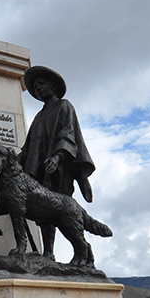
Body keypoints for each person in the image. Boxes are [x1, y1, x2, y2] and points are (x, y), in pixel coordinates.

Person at [18, 66, 95, 260]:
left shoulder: (64, 106)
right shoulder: (39, 116)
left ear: (52, 85)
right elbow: (29, 146)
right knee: (44, 213)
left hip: (58, 168)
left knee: (62, 212)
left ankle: (84, 253)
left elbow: (68, 134)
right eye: (35, 87)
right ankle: (49, 253)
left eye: (42, 84)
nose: (38, 89)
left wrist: (57, 157)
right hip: (40, 170)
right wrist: (14, 161)